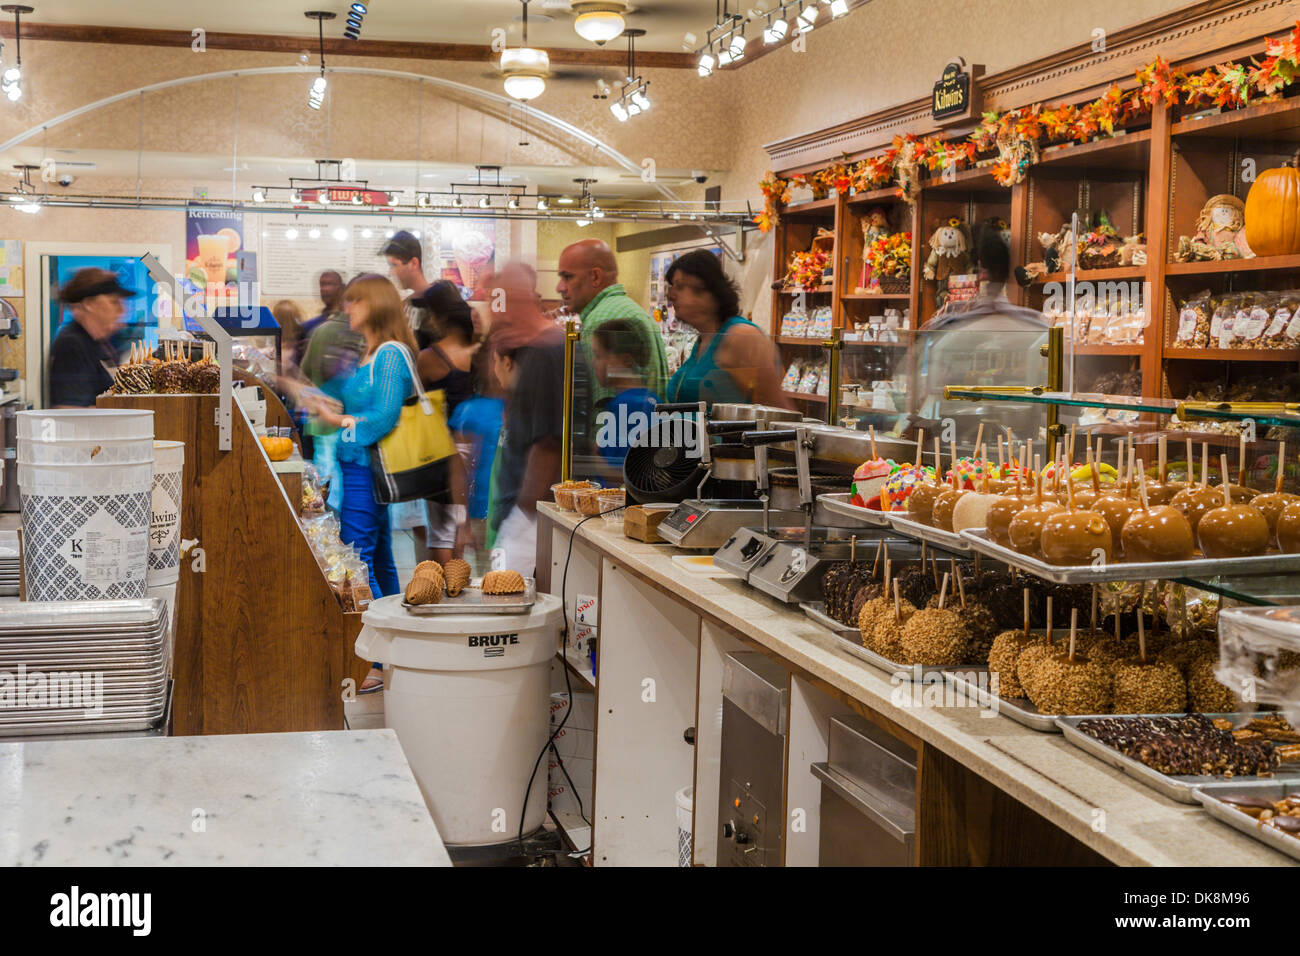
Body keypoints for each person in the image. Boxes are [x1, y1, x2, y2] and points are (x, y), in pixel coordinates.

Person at [299, 274, 416, 695]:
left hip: (371, 470)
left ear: (376, 304)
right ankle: (396, 650)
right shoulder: (367, 354)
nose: (347, 309)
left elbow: (384, 417)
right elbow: (358, 405)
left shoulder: (389, 355)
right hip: (360, 469)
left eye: (355, 301)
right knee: (379, 559)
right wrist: (325, 402)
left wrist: (338, 420)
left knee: (357, 559)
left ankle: (378, 658)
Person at [486, 264, 565, 575]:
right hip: (520, 512)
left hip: (529, 518)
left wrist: (522, 513)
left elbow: (548, 442)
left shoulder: (549, 350)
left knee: (509, 605)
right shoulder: (531, 349)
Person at [663, 249, 788, 409]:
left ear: (706, 291)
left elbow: (776, 409)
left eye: (680, 287)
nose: (671, 295)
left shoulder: (741, 336)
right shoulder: (704, 339)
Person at [411, 280, 477, 565]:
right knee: (463, 529)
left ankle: (441, 596)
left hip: (442, 453)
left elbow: (415, 406)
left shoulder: (429, 358)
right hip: (477, 450)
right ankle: (459, 589)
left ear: (437, 316)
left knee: (441, 535)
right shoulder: (481, 351)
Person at [556, 238, 669, 404]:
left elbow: (602, 410)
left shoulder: (601, 321)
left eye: (567, 277)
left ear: (595, 276)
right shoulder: (630, 309)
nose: (559, 287)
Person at [449, 330, 506, 573]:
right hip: (481, 517)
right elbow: (458, 472)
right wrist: (462, 524)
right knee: (491, 584)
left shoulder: (523, 408)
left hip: (515, 516)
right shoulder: (468, 411)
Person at [48, 268, 134, 407]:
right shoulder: (71, 345)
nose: (122, 309)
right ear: (89, 304)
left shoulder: (104, 342)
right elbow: (69, 411)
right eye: (114, 302)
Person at [590, 319, 660, 468]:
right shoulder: (650, 399)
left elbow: (620, 474)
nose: (593, 363)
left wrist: (586, 456)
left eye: (598, 356)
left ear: (626, 360)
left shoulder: (628, 405)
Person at [381, 230, 432, 336]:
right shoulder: (404, 304)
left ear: (414, 263)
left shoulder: (437, 303)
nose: (390, 272)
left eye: (394, 265)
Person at [292, 270, 344, 369]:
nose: (324, 289)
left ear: (341, 287)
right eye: (322, 284)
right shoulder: (307, 327)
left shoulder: (351, 323)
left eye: (329, 284)